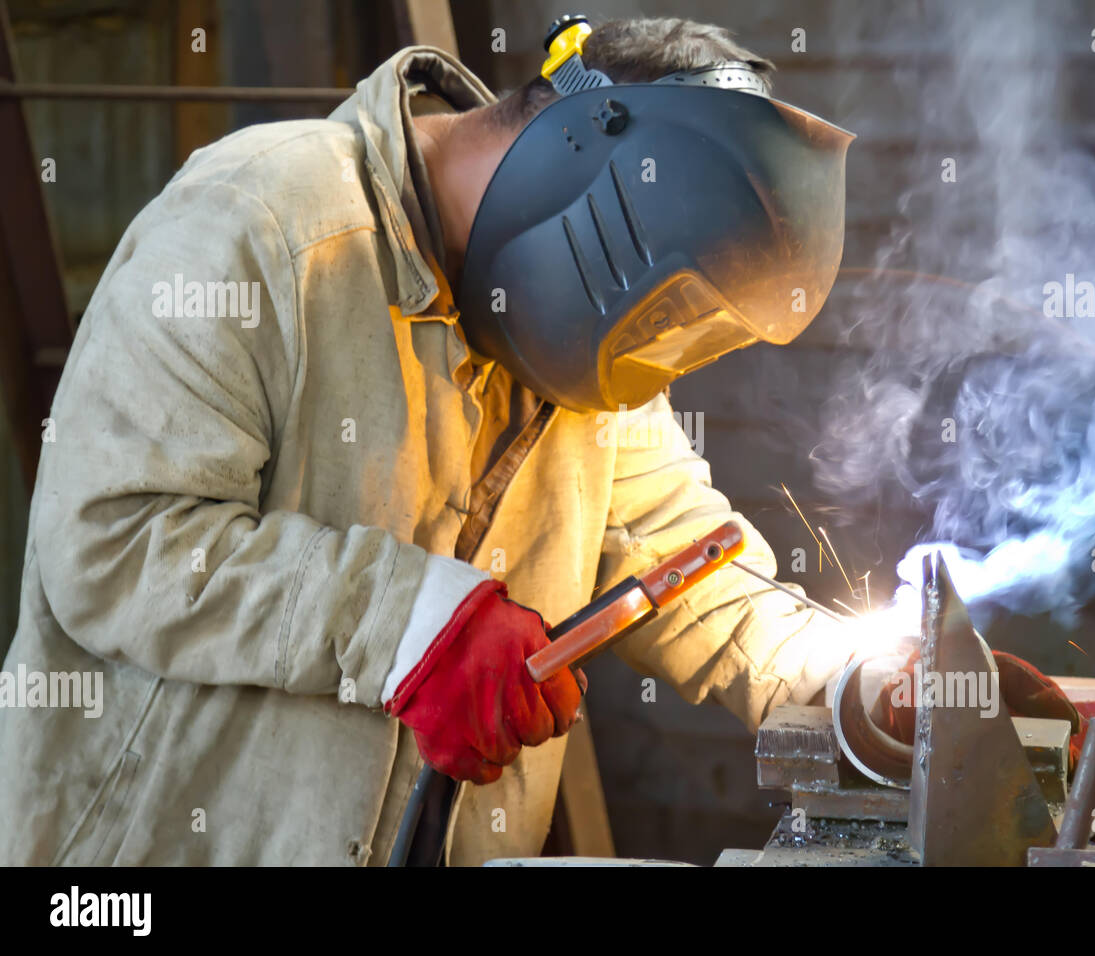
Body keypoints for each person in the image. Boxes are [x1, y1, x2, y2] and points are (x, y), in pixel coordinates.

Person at [0, 15, 858, 866]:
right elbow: (111, 542)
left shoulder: (586, 352)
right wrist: (408, 622)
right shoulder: (260, 223)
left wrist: (853, 686)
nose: (658, 362)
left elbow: (683, 561)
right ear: (588, 158)